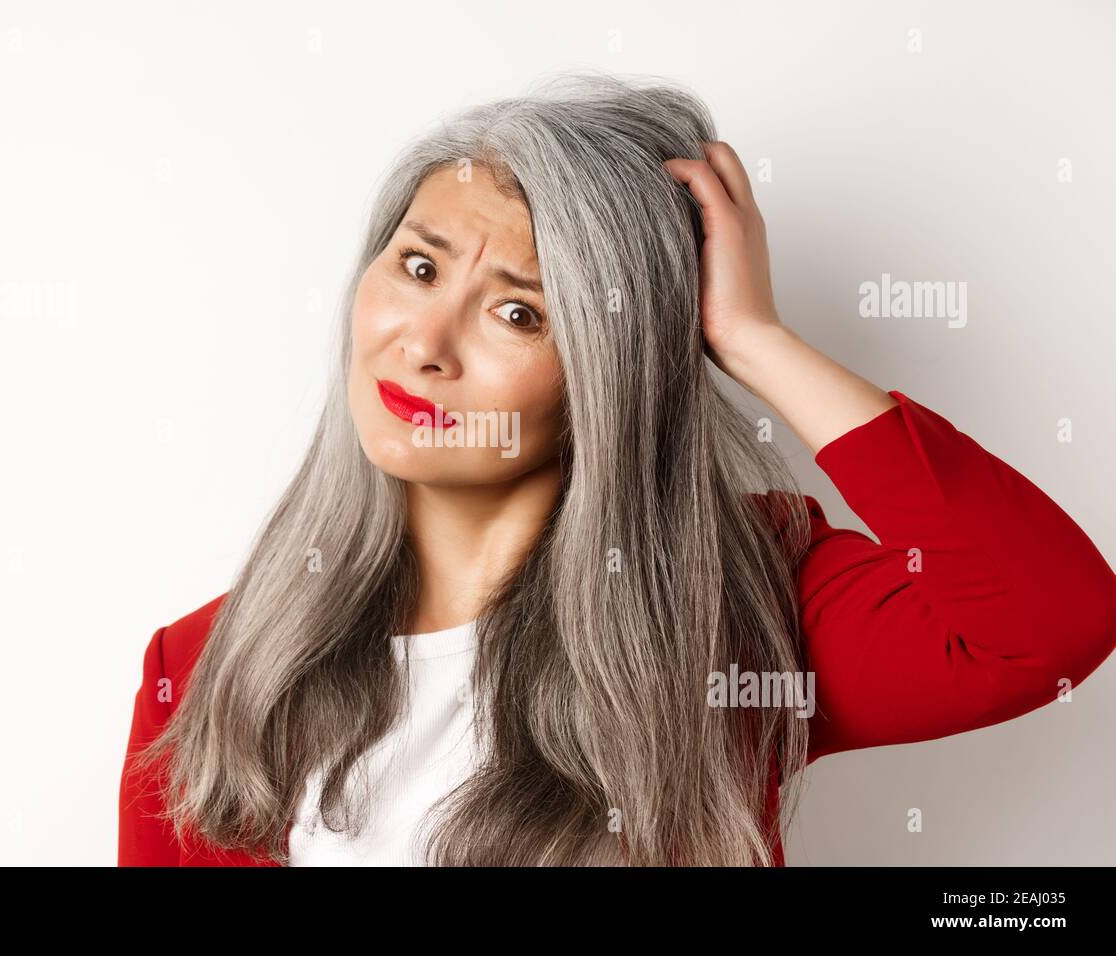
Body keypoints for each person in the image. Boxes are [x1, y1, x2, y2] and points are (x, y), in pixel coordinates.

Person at [118, 71, 1116, 867]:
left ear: (612, 371)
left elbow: (1051, 625)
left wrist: (753, 338)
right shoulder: (201, 665)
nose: (423, 340)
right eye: (418, 265)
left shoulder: (738, 616)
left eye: (518, 311)